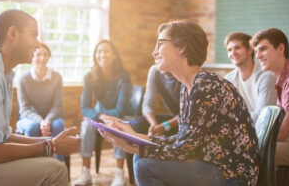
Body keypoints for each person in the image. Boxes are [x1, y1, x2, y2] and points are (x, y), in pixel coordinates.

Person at [101, 20, 260, 186]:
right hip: (214, 165)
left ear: (181, 47)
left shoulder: (206, 86)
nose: (154, 52)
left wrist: (131, 146)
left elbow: (183, 150)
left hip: (233, 175)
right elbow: (182, 140)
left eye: (160, 44)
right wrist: (134, 136)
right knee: (141, 157)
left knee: (143, 166)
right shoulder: (188, 88)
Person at [0, 9, 81, 186]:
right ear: (12, 33)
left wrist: (51, 142)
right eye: (33, 35)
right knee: (56, 170)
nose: (38, 44)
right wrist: (51, 146)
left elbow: (4, 136)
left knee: (51, 157)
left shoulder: (1, 74)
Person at [73, 40, 132, 186]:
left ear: (114, 56)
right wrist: (101, 116)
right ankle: (86, 172)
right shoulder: (89, 76)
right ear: (95, 56)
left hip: (118, 116)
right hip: (99, 116)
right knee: (86, 126)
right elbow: (85, 107)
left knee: (117, 125)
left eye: (106, 51)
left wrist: (106, 117)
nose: (102, 54)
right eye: (99, 51)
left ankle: (119, 173)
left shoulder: (124, 77)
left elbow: (121, 110)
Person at [252, 28, 289, 168]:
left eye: (263, 49)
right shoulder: (283, 79)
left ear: (280, 48)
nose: (258, 56)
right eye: (256, 51)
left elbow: (281, 133)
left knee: (256, 151)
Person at [16, 42, 65, 161]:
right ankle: (33, 166)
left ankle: (59, 165)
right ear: (32, 56)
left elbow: (58, 106)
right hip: (28, 118)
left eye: (45, 55)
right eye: (38, 55)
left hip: (52, 117)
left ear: (49, 57)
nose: (42, 58)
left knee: (58, 125)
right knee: (32, 127)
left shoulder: (57, 77)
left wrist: (47, 120)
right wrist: (40, 121)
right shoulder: (23, 79)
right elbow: (24, 109)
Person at [224, 32, 277, 123]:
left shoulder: (266, 76)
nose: (233, 53)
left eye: (237, 48)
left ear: (250, 50)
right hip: (239, 131)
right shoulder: (228, 79)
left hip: (262, 133)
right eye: (229, 50)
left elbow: (263, 116)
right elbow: (225, 111)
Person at [133, 64, 180, 136]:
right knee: (139, 123)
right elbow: (147, 104)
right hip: (174, 120)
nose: (155, 53)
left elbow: (188, 114)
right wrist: (154, 125)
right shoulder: (155, 70)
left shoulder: (184, 72)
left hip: (188, 122)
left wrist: (163, 126)